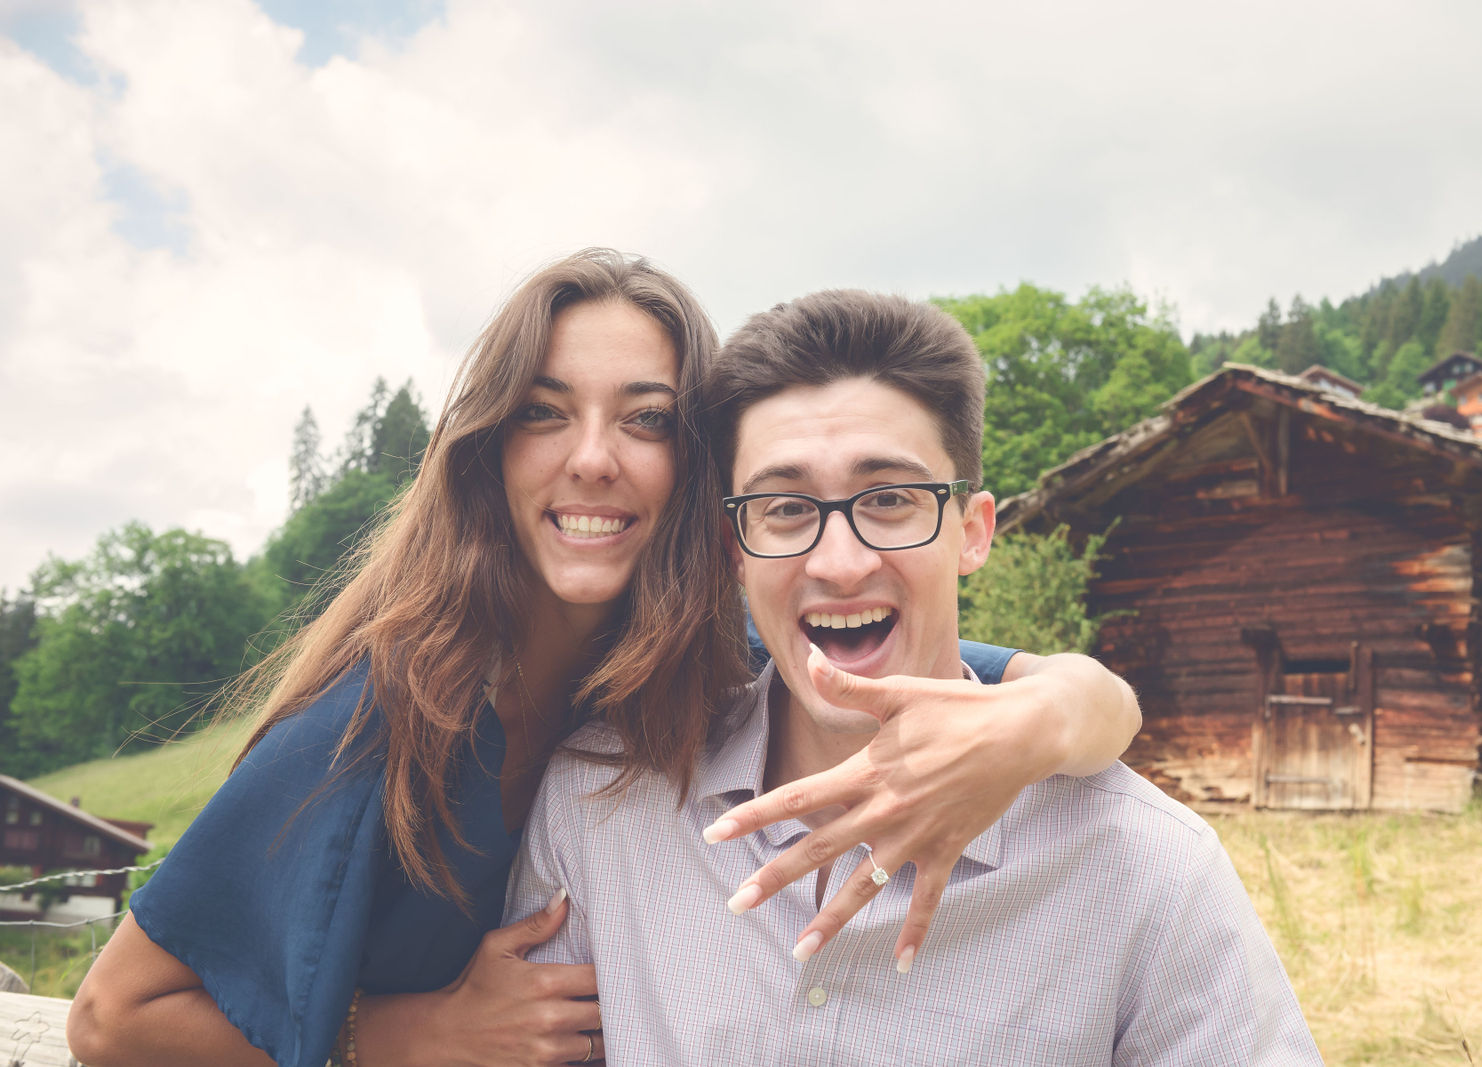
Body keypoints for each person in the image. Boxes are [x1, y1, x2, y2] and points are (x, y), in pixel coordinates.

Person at [66, 251, 1142, 1067]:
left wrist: (1057, 714)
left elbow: (978, 674)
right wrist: (409, 1032)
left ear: (700, 469)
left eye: (646, 418)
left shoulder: (681, 672)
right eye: (544, 414)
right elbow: (111, 1015)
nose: (592, 458)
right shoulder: (391, 710)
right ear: (490, 449)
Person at [506, 289, 1322, 1064]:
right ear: (735, 553)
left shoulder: (1147, 869)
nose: (840, 561)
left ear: (971, 533)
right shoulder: (599, 808)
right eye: (785, 509)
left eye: (890, 498)